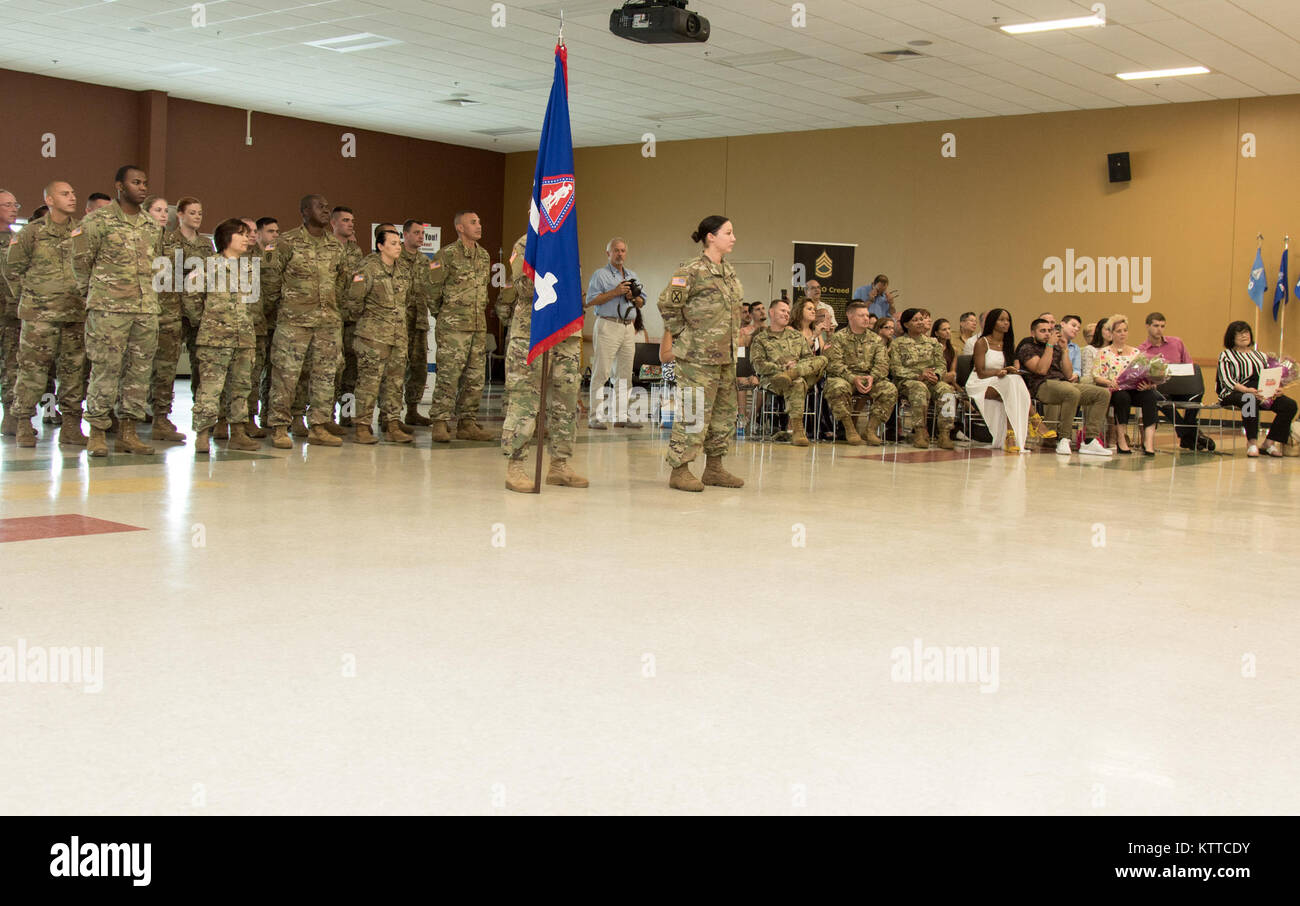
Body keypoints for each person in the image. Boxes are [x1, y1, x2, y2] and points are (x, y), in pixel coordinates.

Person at [80, 165, 164, 456]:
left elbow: (157, 267)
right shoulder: (98, 221)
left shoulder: (152, 226)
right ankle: (98, 432)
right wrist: (93, 298)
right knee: (105, 370)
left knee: (139, 372)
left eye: (144, 183)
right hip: (108, 310)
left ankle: (128, 432)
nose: (142, 187)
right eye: (136, 182)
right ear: (119, 186)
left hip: (145, 309)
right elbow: (79, 265)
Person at [658, 215, 745, 491]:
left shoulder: (729, 272)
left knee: (723, 413)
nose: (733, 238)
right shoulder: (691, 270)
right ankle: (680, 469)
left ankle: (715, 468)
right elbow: (667, 304)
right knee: (693, 413)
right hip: (697, 358)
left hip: (726, 357)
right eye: (728, 233)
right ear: (711, 236)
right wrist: (683, 335)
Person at [2, 180, 88, 447]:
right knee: (32, 372)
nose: (72, 197)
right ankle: (24, 422)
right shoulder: (31, 232)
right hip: (39, 316)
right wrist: (30, 298)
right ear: (49, 200)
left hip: (74, 315)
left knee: (74, 372)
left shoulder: (81, 231)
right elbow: (12, 269)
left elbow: (89, 267)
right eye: (65, 194)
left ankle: (72, 426)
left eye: (73, 192)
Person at [499, 233, 587, 491]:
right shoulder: (526, 243)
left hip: (566, 331)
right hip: (532, 331)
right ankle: (515, 466)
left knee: (566, 400)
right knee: (525, 399)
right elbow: (525, 287)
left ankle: (559, 465)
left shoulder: (568, 242)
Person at [262, 193, 348, 449]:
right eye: (319, 206)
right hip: (294, 323)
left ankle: (319, 426)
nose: (325, 209)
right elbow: (270, 282)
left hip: (327, 323)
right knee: (286, 376)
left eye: (326, 206)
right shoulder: (286, 242)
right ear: (304, 211)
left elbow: (341, 282)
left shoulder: (335, 246)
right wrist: (283, 310)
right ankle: (279, 426)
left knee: (324, 376)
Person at [190, 219, 260, 454]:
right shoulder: (208, 266)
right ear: (226, 238)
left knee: (241, 388)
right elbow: (191, 299)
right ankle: (202, 434)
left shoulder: (250, 268)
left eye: (247, 234)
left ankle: (238, 432)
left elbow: (253, 303)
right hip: (215, 339)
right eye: (240, 234)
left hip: (244, 338)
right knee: (210, 388)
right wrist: (209, 321)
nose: (246, 238)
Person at [426, 210, 493, 443]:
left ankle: (467, 422)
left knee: (475, 377)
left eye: (479, 221)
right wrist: (444, 314)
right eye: (473, 222)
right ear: (460, 228)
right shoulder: (445, 255)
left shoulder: (484, 256)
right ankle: (440, 422)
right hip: (453, 327)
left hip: (477, 325)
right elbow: (432, 291)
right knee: (448, 375)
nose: (479, 225)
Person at [155, 195, 211, 444]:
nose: (197, 217)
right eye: (192, 213)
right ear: (180, 215)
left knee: (202, 366)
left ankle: (204, 419)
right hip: (171, 310)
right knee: (165, 368)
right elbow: (161, 278)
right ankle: (160, 417)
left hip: (198, 314)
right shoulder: (167, 241)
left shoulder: (206, 245)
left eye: (200, 213)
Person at [347, 227, 411, 444]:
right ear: (380, 246)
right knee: (368, 383)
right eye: (392, 243)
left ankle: (392, 424)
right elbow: (354, 301)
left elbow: (406, 301)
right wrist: (369, 324)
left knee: (395, 383)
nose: (398, 247)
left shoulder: (402, 270)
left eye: (399, 242)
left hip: (397, 336)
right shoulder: (367, 268)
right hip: (372, 337)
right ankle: (362, 426)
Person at [1015, 318, 1112, 456]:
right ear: (1033, 332)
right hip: (1041, 385)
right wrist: (1049, 346)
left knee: (1102, 394)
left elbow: (1067, 374)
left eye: (1049, 331)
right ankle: (1064, 438)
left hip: (1062, 383)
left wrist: (1065, 350)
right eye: (1042, 331)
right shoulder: (1028, 348)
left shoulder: (1056, 347)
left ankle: (1090, 440)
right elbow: (1041, 370)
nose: (1047, 334)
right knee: (1071, 392)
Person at [749, 298, 827, 447]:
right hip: (774, 380)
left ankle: (793, 374)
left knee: (822, 360)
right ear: (771, 312)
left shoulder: (797, 337)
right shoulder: (760, 339)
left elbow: (809, 359)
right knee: (797, 383)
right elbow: (758, 365)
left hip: (798, 374)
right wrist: (782, 369)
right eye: (782, 311)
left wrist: (796, 368)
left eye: (788, 312)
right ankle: (797, 431)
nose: (786, 314)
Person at [585, 237, 645, 429]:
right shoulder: (600, 275)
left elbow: (642, 302)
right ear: (608, 253)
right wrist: (615, 292)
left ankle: (621, 416)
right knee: (601, 371)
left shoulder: (631, 274)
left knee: (625, 373)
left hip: (628, 326)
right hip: (607, 324)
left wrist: (632, 297)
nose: (620, 254)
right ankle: (595, 417)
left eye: (623, 250)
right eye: (616, 250)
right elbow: (591, 300)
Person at [1216, 320, 1297, 457]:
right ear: (1232, 337)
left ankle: (1269, 443)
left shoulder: (1260, 355)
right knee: (1250, 400)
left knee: (1289, 405)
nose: (1244, 336)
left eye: (1246, 332)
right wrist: (1247, 390)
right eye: (1239, 333)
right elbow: (1227, 380)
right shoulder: (1226, 355)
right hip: (1234, 392)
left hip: (1259, 392)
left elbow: (1268, 376)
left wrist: (1276, 388)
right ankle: (1252, 442)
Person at [824, 298, 897, 445]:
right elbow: (834, 364)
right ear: (850, 316)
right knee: (837, 387)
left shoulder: (875, 339)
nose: (866, 318)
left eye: (867, 315)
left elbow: (883, 364)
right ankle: (849, 429)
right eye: (861, 315)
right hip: (845, 378)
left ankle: (870, 430)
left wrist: (872, 377)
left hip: (870, 378)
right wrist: (852, 378)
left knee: (889, 389)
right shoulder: (838, 338)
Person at [1139, 310, 1212, 451]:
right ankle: (1189, 434)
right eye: (1155, 325)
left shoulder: (1176, 342)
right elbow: (1143, 375)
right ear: (1147, 326)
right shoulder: (1142, 350)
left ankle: (1185, 433)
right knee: (1159, 398)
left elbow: (1189, 366)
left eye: (1162, 326)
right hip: (1160, 389)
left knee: (1197, 393)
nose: (1159, 329)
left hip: (1182, 386)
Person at [1090, 313, 1159, 455]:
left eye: (1125, 330)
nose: (1122, 334)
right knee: (1122, 398)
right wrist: (1110, 382)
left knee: (1150, 396)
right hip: (1116, 390)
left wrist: (1148, 383)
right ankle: (1121, 439)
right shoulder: (1104, 352)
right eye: (1119, 331)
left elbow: (1144, 372)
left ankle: (1148, 441)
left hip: (1135, 388)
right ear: (1111, 333)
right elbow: (1096, 376)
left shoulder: (1135, 352)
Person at [889, 308, 955, 449]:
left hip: (931, 380)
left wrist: (936, 375)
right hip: (907, 381)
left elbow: (941, 364)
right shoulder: (898, 343)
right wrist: (918, 375)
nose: (920, 322)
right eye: (915, 320)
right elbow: (895, 369)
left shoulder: (933, 343)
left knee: (947, 390)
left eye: (921, 319)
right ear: (906, 324)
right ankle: (920, 432)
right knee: (919, 388)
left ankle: (944, 433)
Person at [966, 309, 1031, 453]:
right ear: (992, 322)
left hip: (1000, 382)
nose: (1005, 323)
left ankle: (1010, 436)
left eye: (1007, 320)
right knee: (1012, 387)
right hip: (980, 383)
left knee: (1014, 381)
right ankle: (1034, 419)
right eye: (1001, 320)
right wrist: (998, 372)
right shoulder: (982, 342)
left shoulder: (1008, 344)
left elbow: (1007, 372)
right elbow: (981, 373)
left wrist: (1010, 370)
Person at [396, 220, 434, 428]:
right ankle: (390, 415)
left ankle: (412, 410)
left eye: (423, 233)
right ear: (405, 235)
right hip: (398, 323)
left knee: (418, 368)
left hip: (419, 322)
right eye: (417, 233)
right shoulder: (395, 258)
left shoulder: (424, 262)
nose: (421, 237)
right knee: (396, 370)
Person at [331, 205, 365, 428]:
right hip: (330, 318)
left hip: (352, 318)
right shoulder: (326, 247)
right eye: (345, 220)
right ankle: (326, 417)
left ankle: (346, 414)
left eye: (352, 220)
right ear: (333, 223)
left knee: (352, 371)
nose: (351, 223)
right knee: (331, 369)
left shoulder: (356, 251)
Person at [253, 216, 280, 430]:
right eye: (270, 231)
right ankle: (247, 418)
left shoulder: (275, 256)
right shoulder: (249, 255)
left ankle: (268, 415)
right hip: (254, 322)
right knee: (252, 374)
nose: (275, 235)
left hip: (274, 322)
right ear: (259, 233)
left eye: (277, 231)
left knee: (273, 374)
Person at [0, 188, 23, 436]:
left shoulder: (18, 241)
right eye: (7, 204)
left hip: (10, 315)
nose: (14, 208)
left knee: (11, 367)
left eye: (15, 204)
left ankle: (11, 416)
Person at [1079, 317, 1109, 386]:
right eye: (1091, 336)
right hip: (1096, 384)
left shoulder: (1114, 349)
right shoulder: (1089, 349)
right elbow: (1087, 376)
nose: (1094, 337)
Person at [931, 317, 958, 386]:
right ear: (936, 333)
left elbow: (953, 373)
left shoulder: (953, 349)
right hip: (935, 379)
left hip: (949, 380)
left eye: (949, 328)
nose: (948, 332)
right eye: (944, 330)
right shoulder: (931, 348)